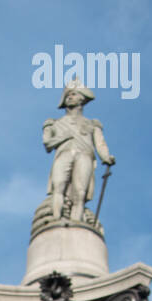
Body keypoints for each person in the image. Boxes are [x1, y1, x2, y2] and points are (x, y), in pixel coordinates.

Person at [43, 81, 115, 222]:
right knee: (58, 187)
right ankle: (56, 219)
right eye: (68, 95)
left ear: (82, 99)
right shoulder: (55, 123)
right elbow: (47, 144)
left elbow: (100, 143)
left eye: (73, 94)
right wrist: (64, 137)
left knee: (80, 192)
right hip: (64, 154)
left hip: (84, 156)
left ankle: (76, 222)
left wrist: (106, 157)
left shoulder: (92, 124)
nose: (69, 97)